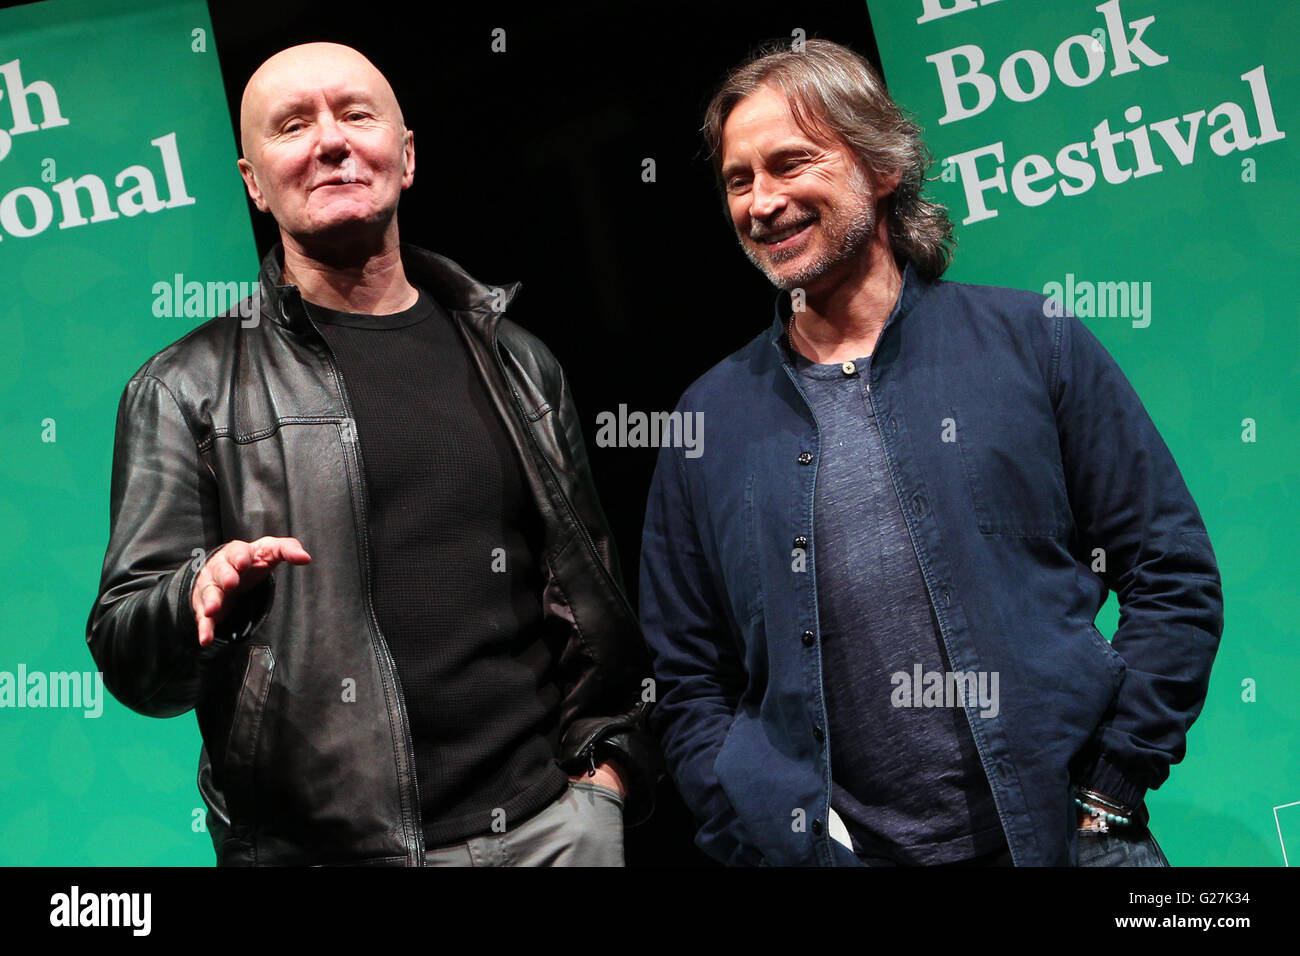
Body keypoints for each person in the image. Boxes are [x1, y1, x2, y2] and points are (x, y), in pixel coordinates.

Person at [637, 39, 1222, 867]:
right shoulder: (707, 422)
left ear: (879, 167)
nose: (762, 202)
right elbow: (690, 683)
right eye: (740, 180)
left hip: (1072, 845)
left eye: (789, 164)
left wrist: (1113, 782)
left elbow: (1172, 570)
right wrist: (766, 834)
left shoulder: (1033, 341)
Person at [86, 42, 657, 866]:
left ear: (407, 154)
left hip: (549, 833)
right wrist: (193, 598)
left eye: (355, 114)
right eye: (292, 125)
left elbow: (585, 596)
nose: (330, 140)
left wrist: (604, 783)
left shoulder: (518, 360)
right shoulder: (183, 389)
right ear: (252, 181)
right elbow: (129, 655)